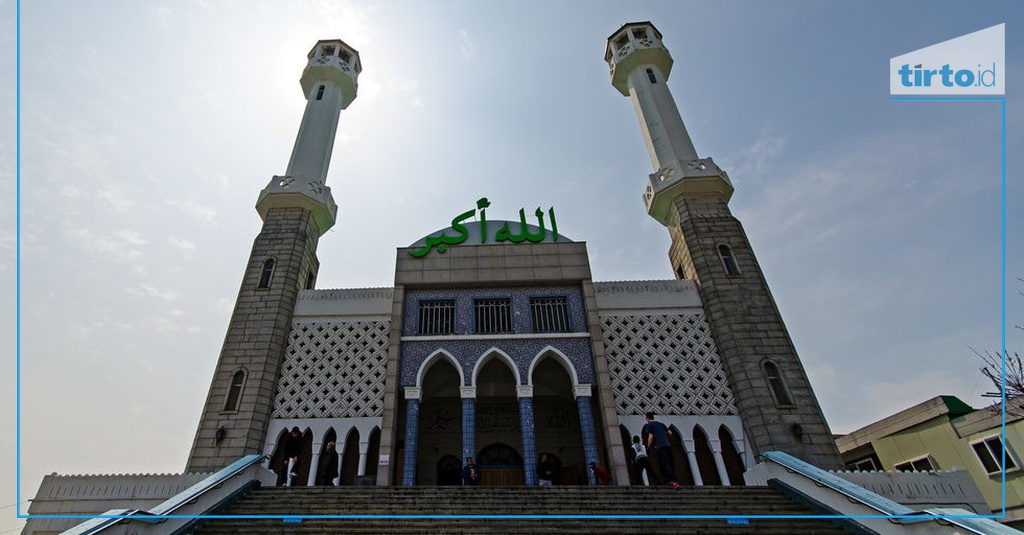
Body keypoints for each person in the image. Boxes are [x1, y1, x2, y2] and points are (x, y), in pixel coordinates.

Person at [642, 412, 680, 489]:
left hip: (660, 446)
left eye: (646, 418)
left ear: (647, 418)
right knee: (669, 462)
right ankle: (670, 480)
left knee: (664, 463)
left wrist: (648, 447)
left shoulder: (649, 425)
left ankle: (674, 481)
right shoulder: (661, 424)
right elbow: (670, 432)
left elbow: (651, 436)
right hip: (667, 445)